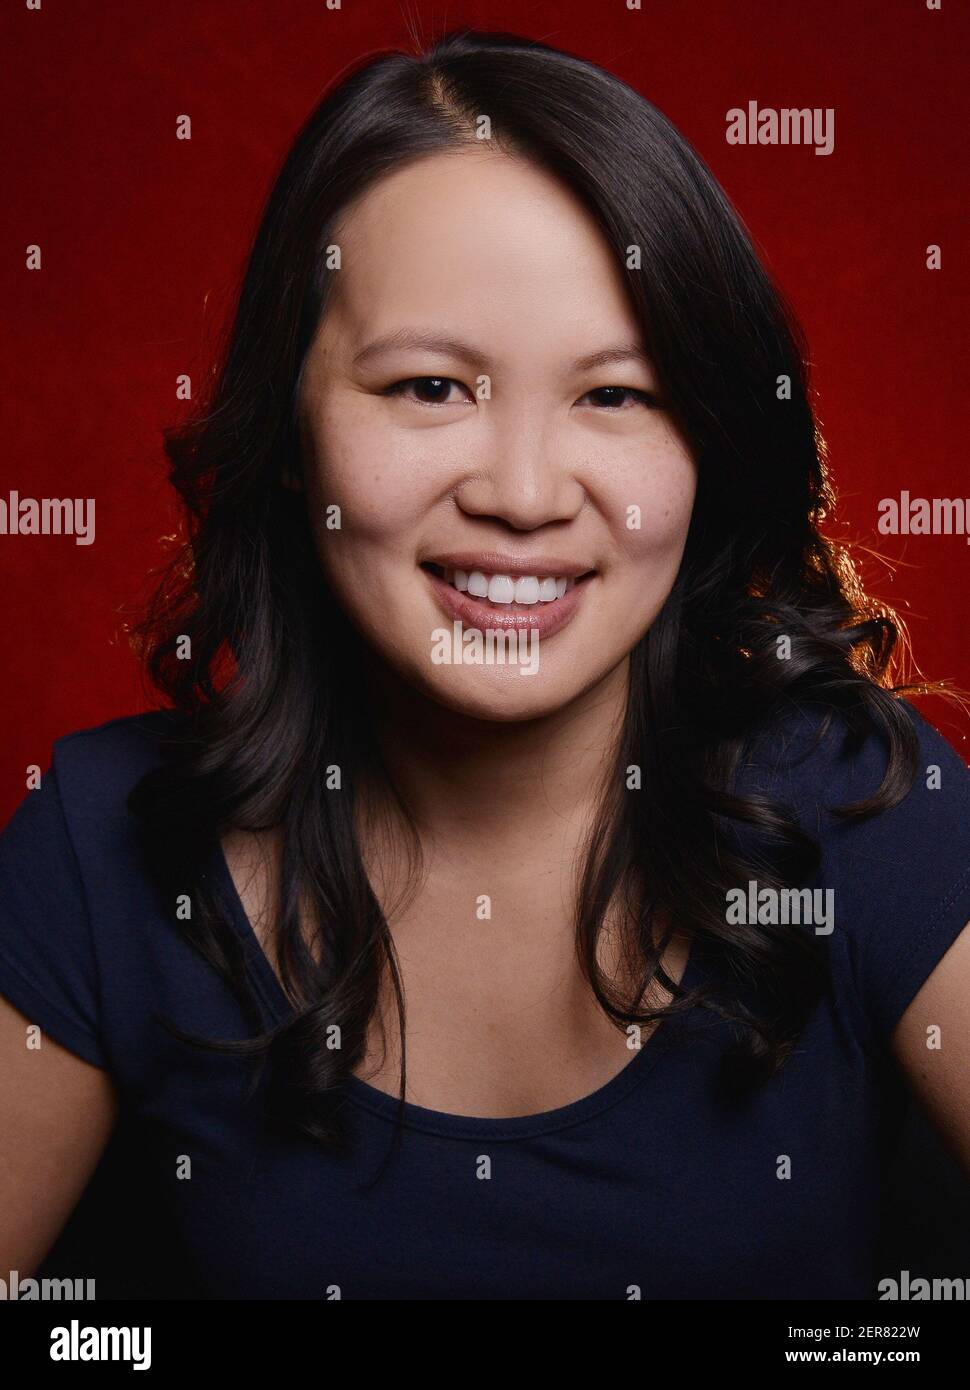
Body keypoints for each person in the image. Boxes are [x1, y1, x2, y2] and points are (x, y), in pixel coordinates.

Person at [1, 28, 968, 1301]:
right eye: (427, 387)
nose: (521, 494)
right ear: (291, 428)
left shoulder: (859, 810)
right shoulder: (103, 851)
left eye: (616, 395)